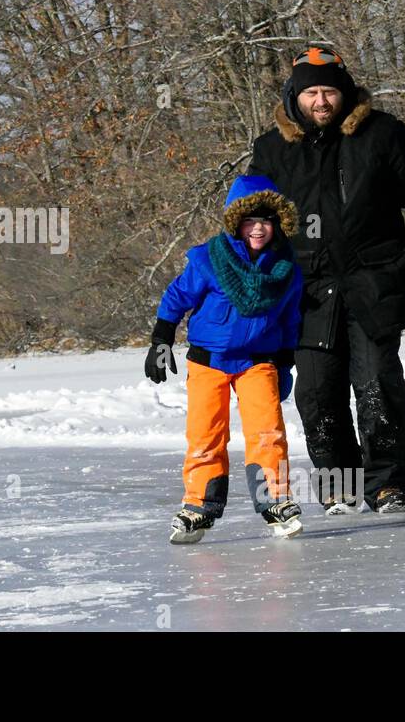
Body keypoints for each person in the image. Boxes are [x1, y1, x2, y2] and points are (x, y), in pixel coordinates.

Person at [248, 47, 405, 515]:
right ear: (295, 97)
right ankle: (339, 487)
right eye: (311, 92)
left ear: (345, 93)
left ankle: (388, 484)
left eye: (329, 90)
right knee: (316, 393)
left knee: (376, 386)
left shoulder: (382, 133)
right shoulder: (272, 149)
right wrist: (247, 279)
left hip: (373, 280)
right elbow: (251, 221)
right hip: (306, 291)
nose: (321, 100)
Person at [146, 175, 304, 543]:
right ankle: (199, 505)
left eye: (266, 220)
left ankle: (275, 501)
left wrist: (284, 364)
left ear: (278, 223)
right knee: (205, 433)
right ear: (236, 223)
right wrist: (161, 340)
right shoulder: (208, 259)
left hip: (258, 361)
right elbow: (177, 297)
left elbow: (290, 319)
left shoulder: (286, 271)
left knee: (268, 432)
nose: (259, 228)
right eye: (251, 220)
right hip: (208, 361)